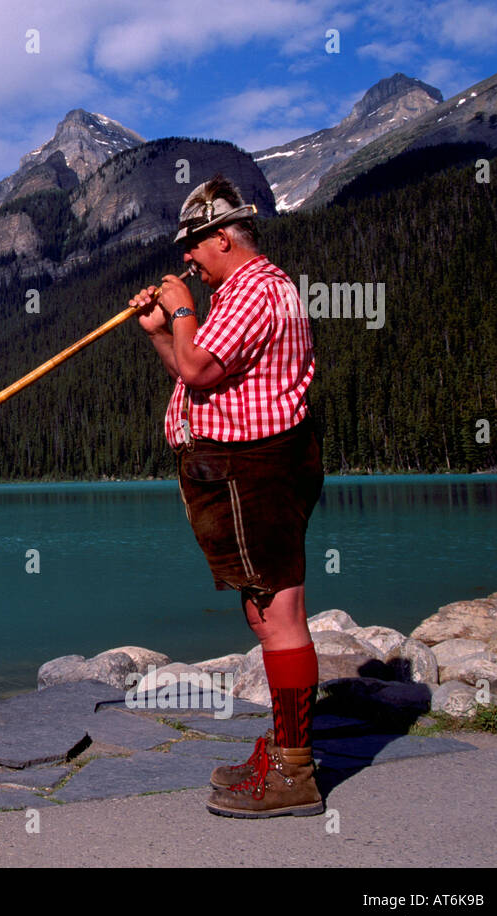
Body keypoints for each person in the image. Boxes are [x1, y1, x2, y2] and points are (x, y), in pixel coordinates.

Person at [127, 173, 325, 818]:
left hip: (251, 470)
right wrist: (163, 330)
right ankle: (283, 750)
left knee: (277, 611)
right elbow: (197, 371)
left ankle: (294, 772)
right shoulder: (257, 289)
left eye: (194, 246)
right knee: (266, 607)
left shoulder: (252, 290)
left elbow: (200, 370)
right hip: (248, 471)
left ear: (221, 238)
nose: (188, 259)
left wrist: (182, 309)